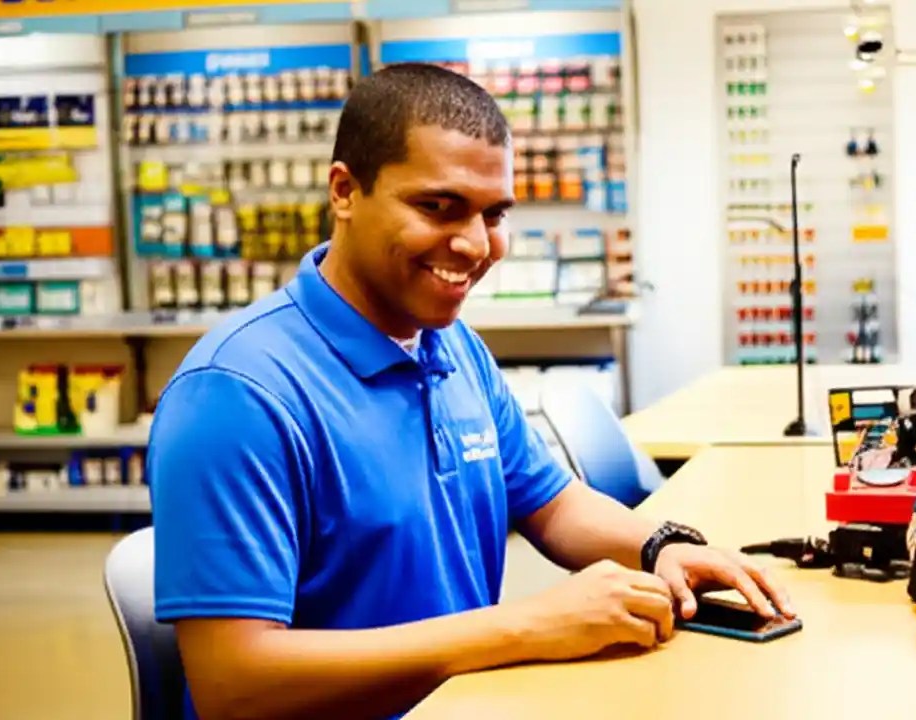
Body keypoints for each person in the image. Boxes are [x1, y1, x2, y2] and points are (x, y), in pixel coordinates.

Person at [148, 63, 794, 720]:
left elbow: (551, 505)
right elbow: (235, 682)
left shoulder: (452, 347)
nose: (475, 244)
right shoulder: (236, 395)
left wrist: (664, 545)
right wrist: (525, 628)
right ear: (344, 191)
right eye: (437, 206)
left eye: (495, 213)